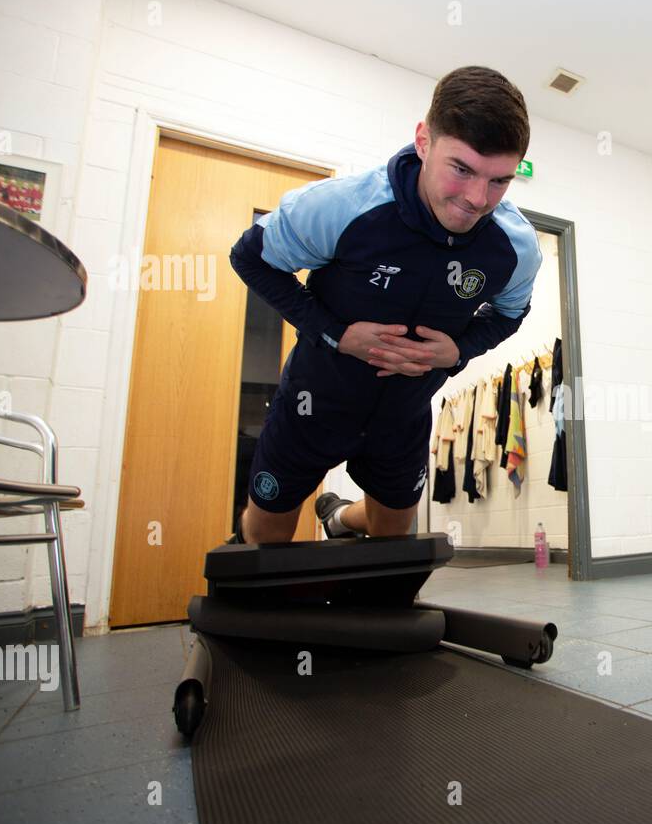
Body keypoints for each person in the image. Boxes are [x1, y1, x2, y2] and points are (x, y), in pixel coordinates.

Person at [228, 66, 542, 544]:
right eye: (461, 169)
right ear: (423, 141)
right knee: (266, 540)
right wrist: (336, 333)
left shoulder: (515, 247)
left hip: (403, 413)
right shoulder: (343, 205)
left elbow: (510, 315)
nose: (477, 199)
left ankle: (338, 519)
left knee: (394, 536)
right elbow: (249, 258)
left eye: (499, 180)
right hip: (314, 402)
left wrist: (459, 352)